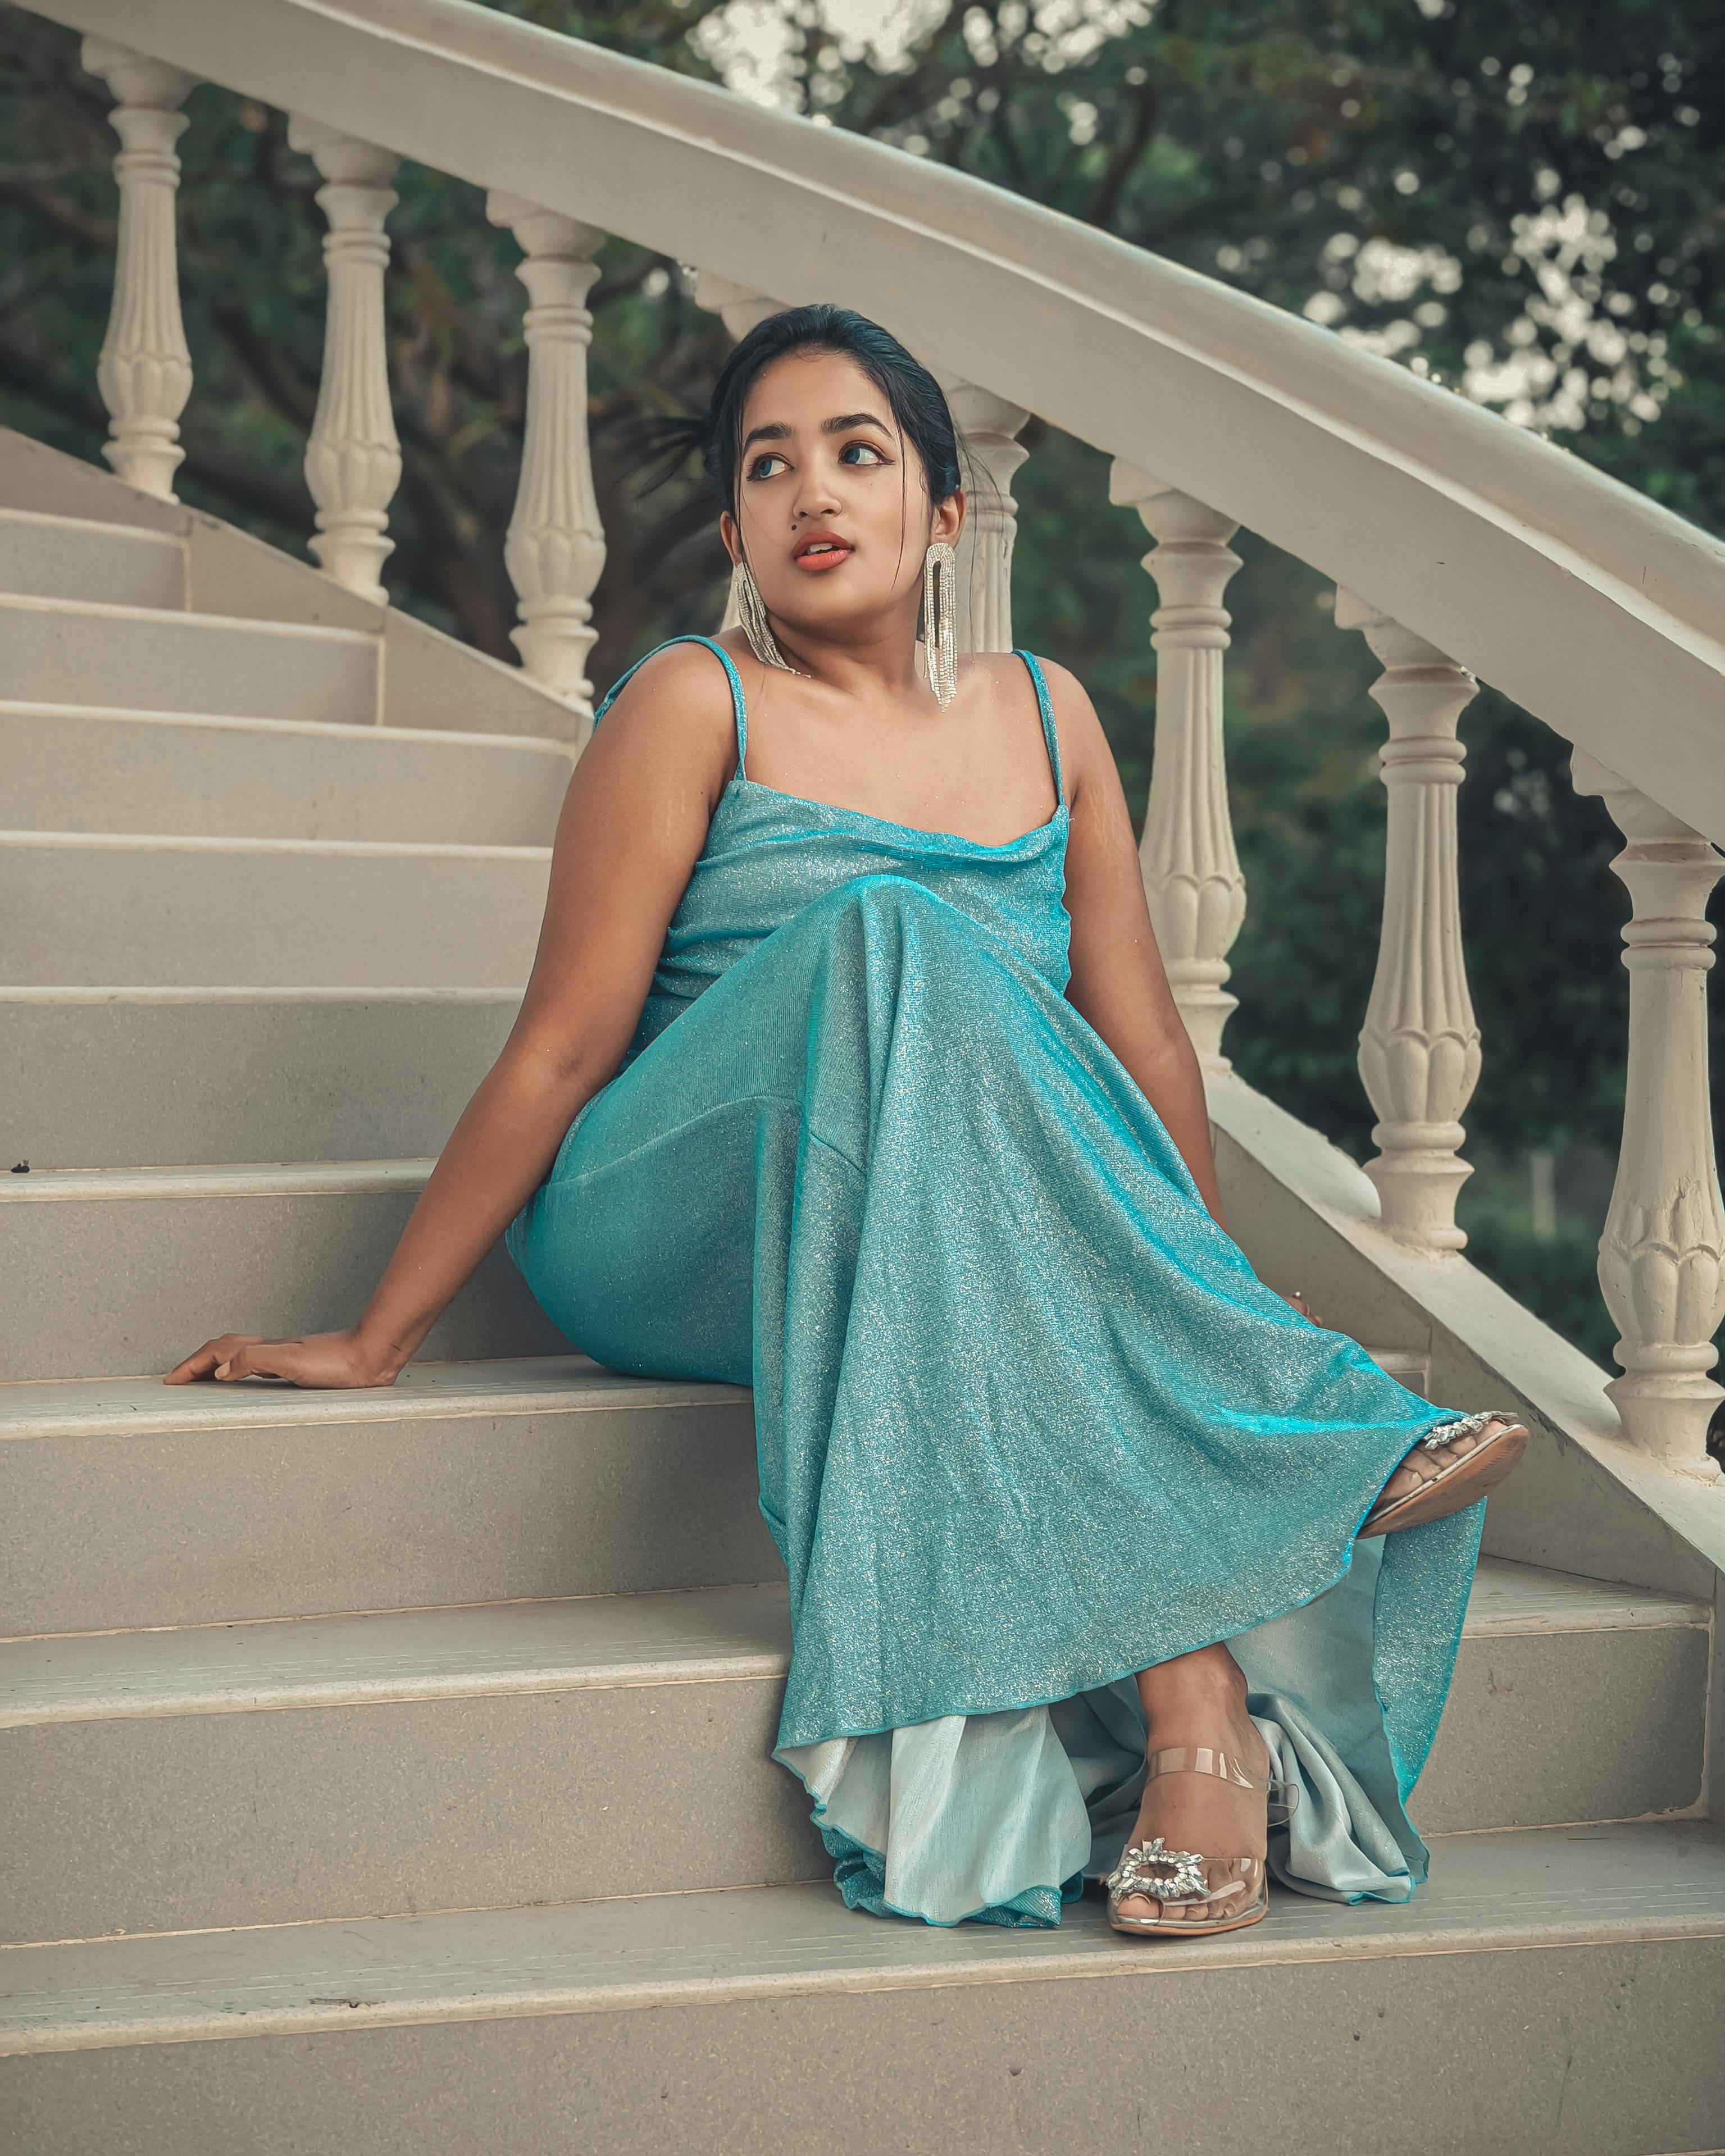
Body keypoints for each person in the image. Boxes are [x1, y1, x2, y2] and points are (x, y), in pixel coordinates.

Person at [166, 304, 1527, 1939]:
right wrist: (380, 1334)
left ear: (943, 513)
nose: (812, 491)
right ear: (739, 529)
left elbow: (1148, 1041)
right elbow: (562, 1044)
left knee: (975, 1109)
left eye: (858, 452)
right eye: (768, 466)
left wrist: (1203, 1311)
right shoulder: (689, 702)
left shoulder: (1051, 715)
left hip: (926, 1227)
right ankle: (1301, 1456)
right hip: (664, 1217)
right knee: (901, 940)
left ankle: (1196, 1716)